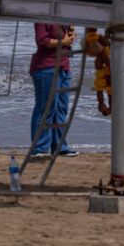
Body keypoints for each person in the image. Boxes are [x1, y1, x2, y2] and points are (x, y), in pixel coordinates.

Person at [29, 23, 79, 157]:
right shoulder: (42, 18)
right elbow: (42, 40)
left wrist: (70, 36)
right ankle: (39, 147)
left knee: (61, 108)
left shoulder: (63, 20)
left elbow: (68, 43)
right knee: (46, 108)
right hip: (46, 66)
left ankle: (60, 146)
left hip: (63, 66)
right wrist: (64, 41)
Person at [84, 28, 112, 117]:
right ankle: (104, 105)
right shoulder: (100, 43)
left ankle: (104, 105)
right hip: (106, 67)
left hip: (104, 68)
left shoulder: (99, 42)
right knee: (107, 87)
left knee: (104, 87)